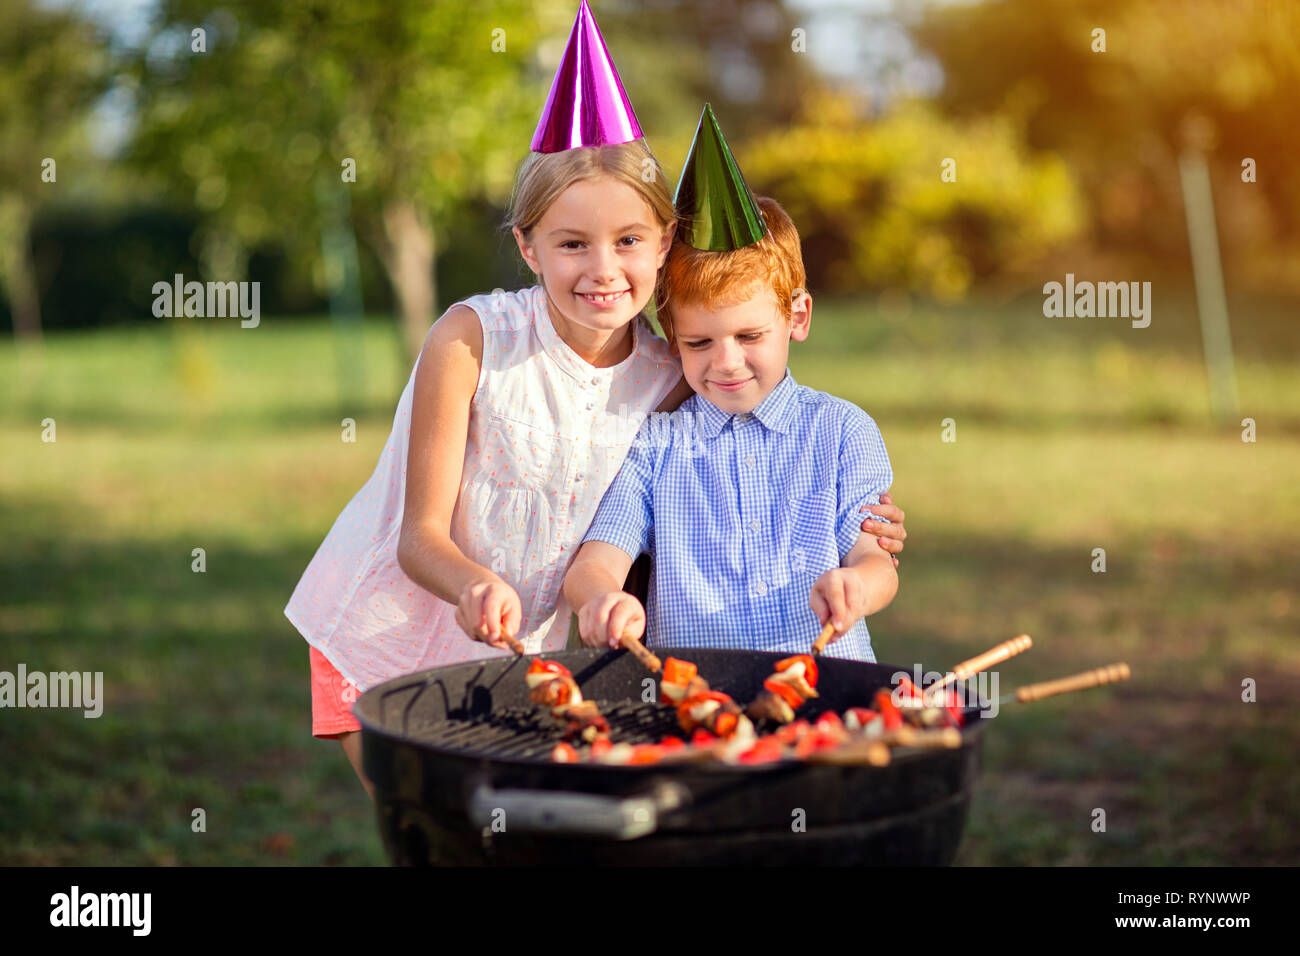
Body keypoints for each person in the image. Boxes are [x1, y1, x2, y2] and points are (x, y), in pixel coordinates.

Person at [284, 11, 907, 799]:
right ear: (527, 245)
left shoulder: (669, 376)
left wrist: (869, 542)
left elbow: (714, 492)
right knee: (434, 829)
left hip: (530, 648)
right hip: (393, 624)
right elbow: (419, 537)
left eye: (628, 241)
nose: (603, 268)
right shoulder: (472, 339)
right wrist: (488, 583)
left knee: (525, 832)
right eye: (572, 242)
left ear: (662, 239)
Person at [565, 105, 898, 662]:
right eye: (699, 343)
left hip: (819, 685)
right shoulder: (655, 443)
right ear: (671, 338)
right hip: (695, 699)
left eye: (750, 336)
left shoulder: (843, 431)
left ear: (797, 318)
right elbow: (598, 559)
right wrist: (599, 598)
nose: (726, 362)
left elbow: (877, 559)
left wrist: (857, 586)